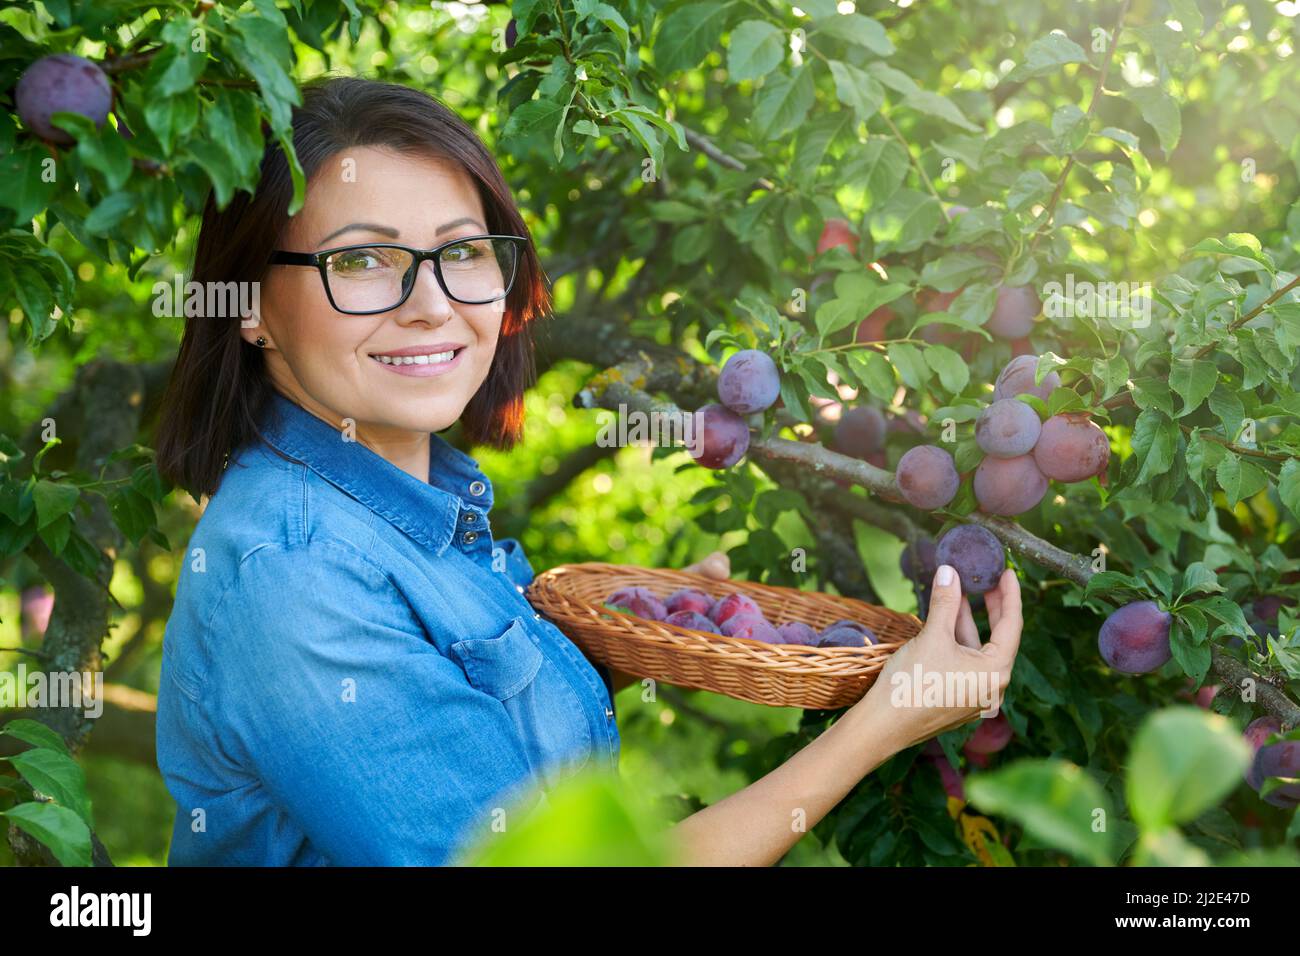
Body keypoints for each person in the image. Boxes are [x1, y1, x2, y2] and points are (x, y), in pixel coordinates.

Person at [153, 76, 1022, 867]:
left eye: (463, 252)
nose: (432, 305)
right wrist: (880, 726)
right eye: (361, 261)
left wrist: (627, 647)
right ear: (253, 307)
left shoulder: (409, 514)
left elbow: (479, 775)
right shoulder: (299, 572)